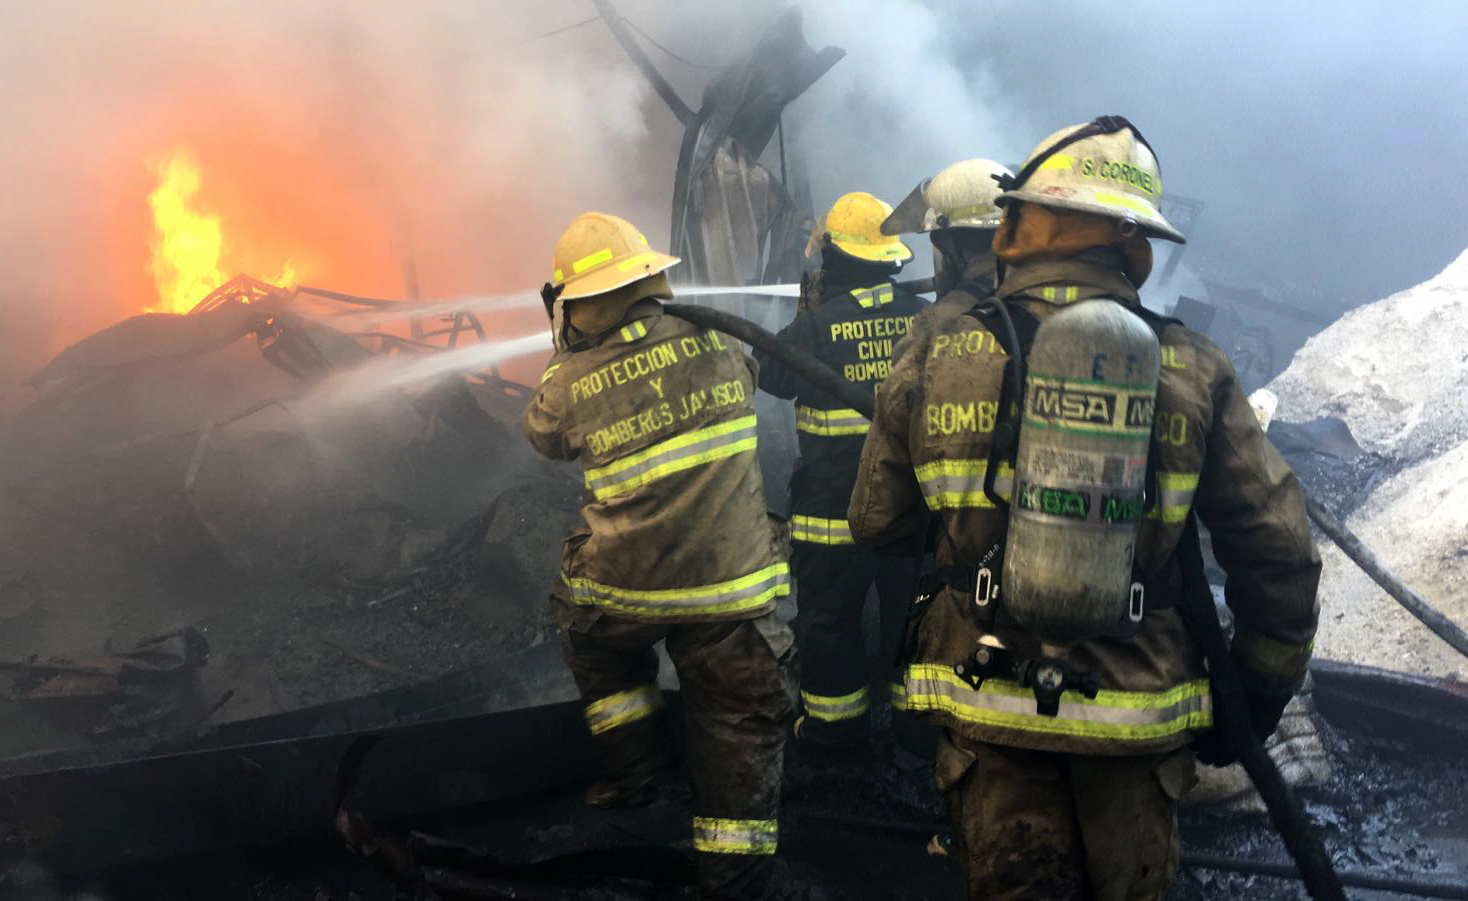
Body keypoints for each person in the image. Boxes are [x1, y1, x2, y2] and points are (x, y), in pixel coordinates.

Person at [847, 118, 1321, 900]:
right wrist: (1254, 700)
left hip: (987, 699)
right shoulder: (1191, 364)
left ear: (1019, 224)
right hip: (1135, 721)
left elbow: (876, 522)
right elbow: (1280, 551)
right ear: (1132, 242)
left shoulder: (939, 347)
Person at [524, 211, 796, 899]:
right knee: (738, 721)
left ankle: (638, 774)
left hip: (626, 593)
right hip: (733, 587)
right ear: (652, 274)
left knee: (581, 622)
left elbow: (543, 435)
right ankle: (736, 874)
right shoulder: (724, 340)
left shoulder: (572, 377)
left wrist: (566, 347)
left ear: (576, 302)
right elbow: (754, 372)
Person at [755, 191, 927, 752]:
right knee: (912, 620)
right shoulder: (923, 322)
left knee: (829, 621)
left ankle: (836, 731)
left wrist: (812, 313)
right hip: (908, 510)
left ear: (833, 258)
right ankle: (916, 729)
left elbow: (772, 377)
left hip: (834, 513)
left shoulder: (814, 328)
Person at [881, 157, 1014, 340]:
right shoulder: (1040, 290)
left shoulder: (941, 320)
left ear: (957, 244)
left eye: (943, 247)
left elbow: (904, 362)